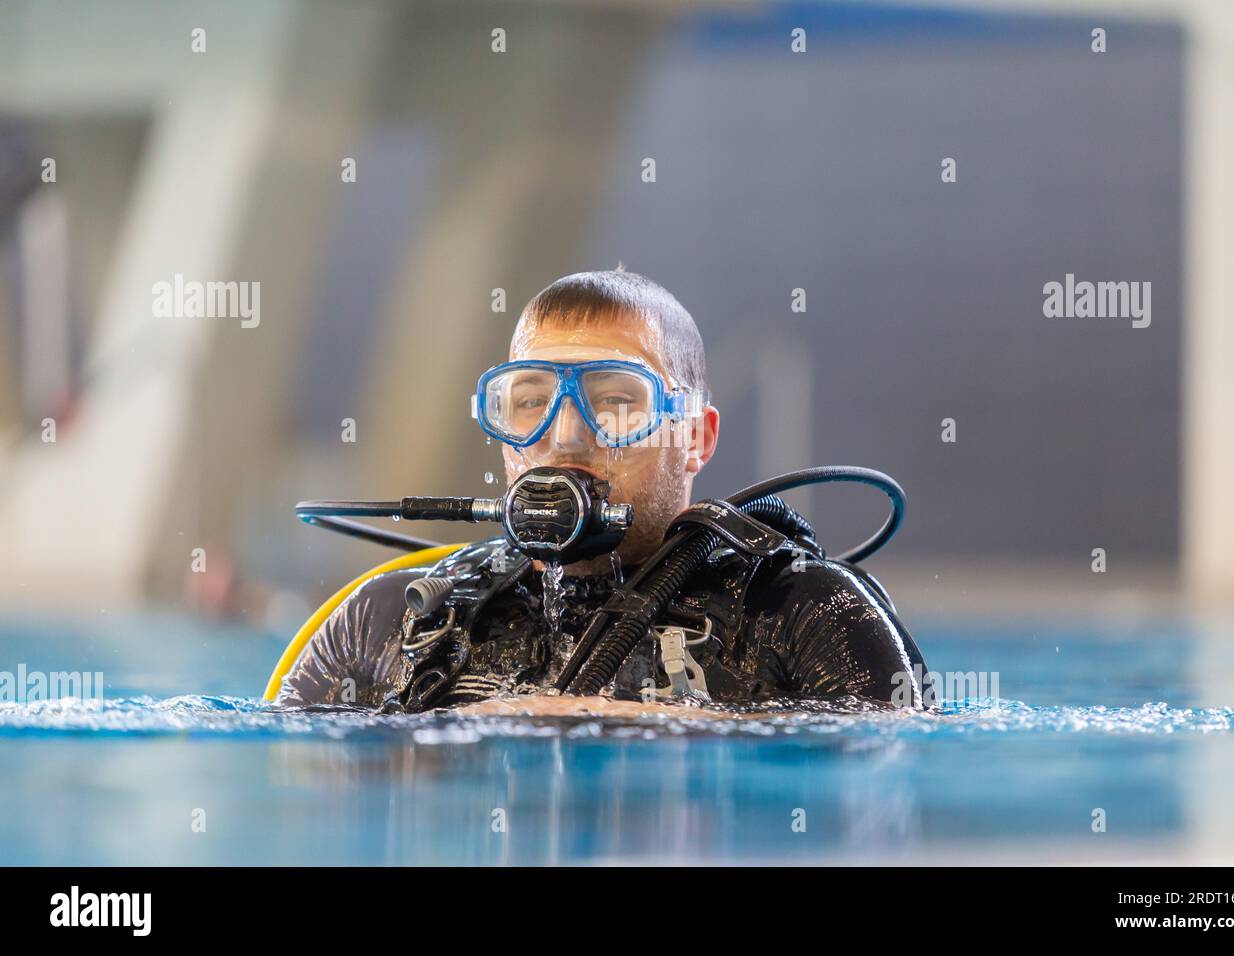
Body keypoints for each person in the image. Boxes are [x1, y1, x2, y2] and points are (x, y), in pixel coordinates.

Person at [275, 268, 930, 711]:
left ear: (696, 438)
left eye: (615, 400)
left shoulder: (803, 614)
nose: (564, 436)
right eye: (528, 400)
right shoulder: (396, 619)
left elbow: (892, 787)